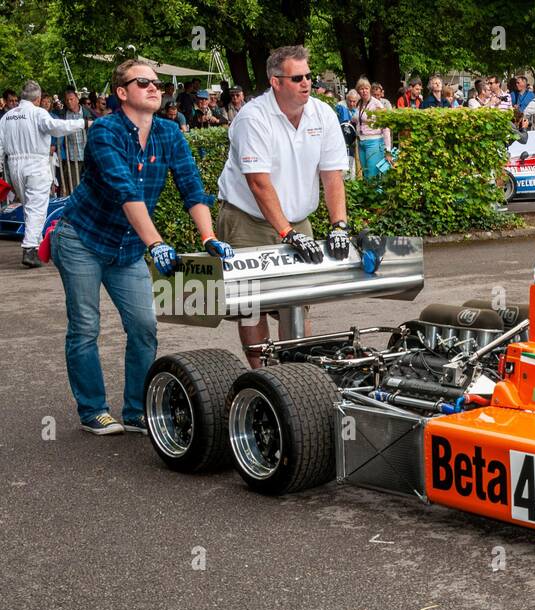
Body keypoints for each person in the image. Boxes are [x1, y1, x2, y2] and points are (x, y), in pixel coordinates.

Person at [51, 60, 230, 435]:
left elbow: (190, 187)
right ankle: (92, 410)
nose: (154, 87)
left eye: (157, 82)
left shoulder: (168, 132)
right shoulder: (104, 131)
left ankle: (136, 409)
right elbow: (124, 190)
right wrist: (158, 243)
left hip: (129, 246)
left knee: (144, 326)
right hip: (82, 239)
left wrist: (208, 236)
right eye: (143, 82)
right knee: (85, 326)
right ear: (121, 93)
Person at [215, 45, 351, 366]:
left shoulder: (323, 113)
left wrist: (339, 226)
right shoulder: (253, 117)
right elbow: (258, 183)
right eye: (297, 78)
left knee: (298, 301)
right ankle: (261, 375)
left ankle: (296, 372)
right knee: (252, 305)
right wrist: (287, 233)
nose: (306, 83)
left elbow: (332, 176)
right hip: (246, 218)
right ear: (276, 82)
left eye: (309, 76)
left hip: (296, 218)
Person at [1, 81, 86, 268]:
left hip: (14, 164)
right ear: (38, 98)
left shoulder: (7, 116)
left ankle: (37, 245)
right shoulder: (38, 113)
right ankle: (30, 249)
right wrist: (82, 123)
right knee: (37, 206)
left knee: (28, 206)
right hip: (35, 163)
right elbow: (56, 127)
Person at [353, 77, 392, 178]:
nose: (364, 91)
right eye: (361, 89)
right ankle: (366, 194)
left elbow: (385, 127)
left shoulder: (376, 104)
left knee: (373, 175)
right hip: (361, 142)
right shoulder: (359, 103)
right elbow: (356, 119)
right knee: (365, 174)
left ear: (369, 89)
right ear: (358, 91)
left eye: (366, 88)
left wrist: (388, 150)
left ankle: (377, 194)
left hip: (374, 142)